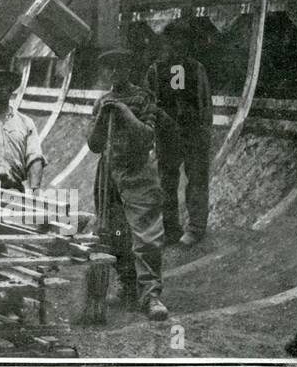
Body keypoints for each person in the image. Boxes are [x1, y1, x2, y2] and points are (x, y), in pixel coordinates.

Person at [88, 47, 168, 321]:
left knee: (146, 236)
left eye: (120, 67)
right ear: (104, 72)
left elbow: (147, 137)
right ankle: (127, 285)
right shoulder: (101, 102)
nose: (114, 72)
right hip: (109, 172)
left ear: (129, 70)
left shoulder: (143, 98)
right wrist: (102, 116)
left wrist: (124, 112)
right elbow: (94, 145)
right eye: (109, 68)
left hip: (137, 172)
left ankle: (152, 295)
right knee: (113, 233)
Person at [144, 18, 214, 246]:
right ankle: (170, 228)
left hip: (193, 134)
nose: (176, 46)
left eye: (181, 41)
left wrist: (204, 132)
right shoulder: (156, 70)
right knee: (166, 183)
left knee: (196, 181)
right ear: (166, 43)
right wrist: (154, 133)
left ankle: (195, 228)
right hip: (167, 135)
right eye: (172, 41)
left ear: (187, 43)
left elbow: (205, 103)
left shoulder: (196, 68)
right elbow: (149, 103)